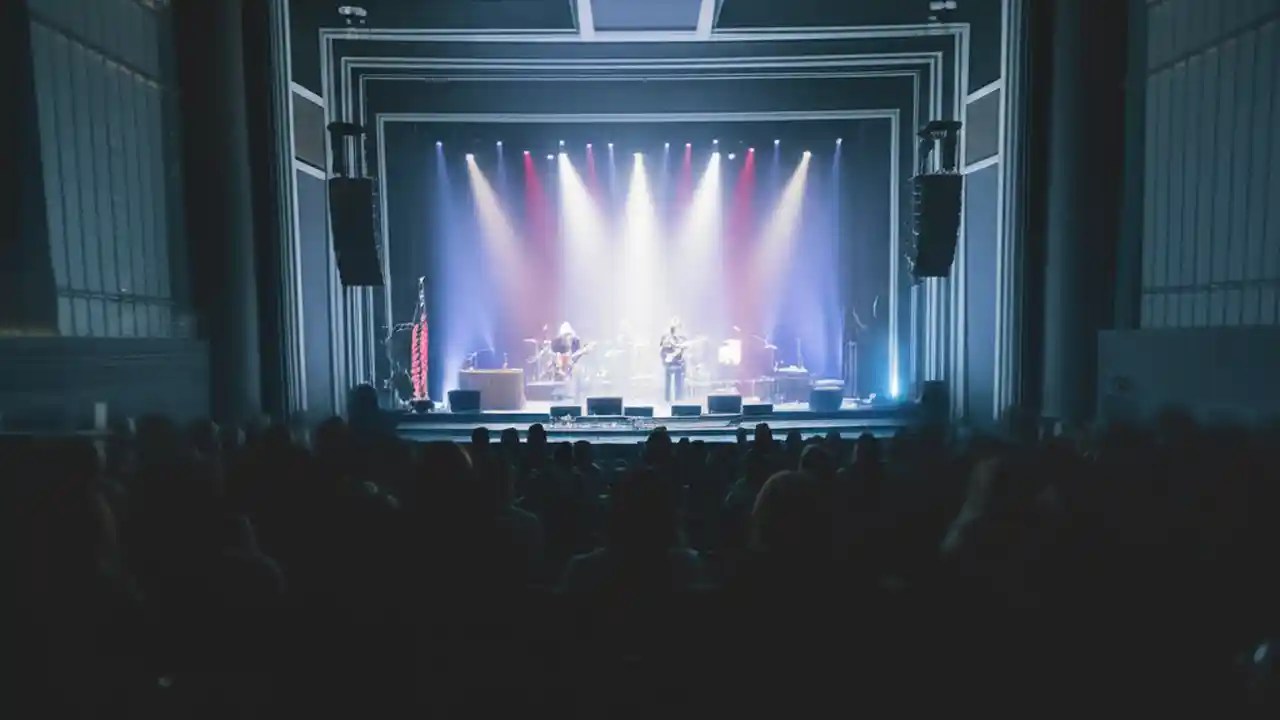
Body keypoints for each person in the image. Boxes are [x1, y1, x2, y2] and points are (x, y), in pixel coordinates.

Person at [659, 318, 688, 403]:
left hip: (678, 364)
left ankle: (679, 400)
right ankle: (667, 400)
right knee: (668, 384)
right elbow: (661, 350)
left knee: (678, 383)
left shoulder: (682, 337)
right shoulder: (665, 337)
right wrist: (664, 360)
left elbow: (685, 350)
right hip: (669, 364)